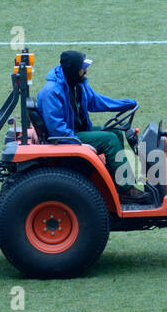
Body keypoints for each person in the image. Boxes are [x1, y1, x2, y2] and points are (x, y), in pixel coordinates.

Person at [36, 50, 148, 202]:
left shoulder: (77, 84)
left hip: (76, 131)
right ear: (73, 69)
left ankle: (116, 184)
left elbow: (97, 102)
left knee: (116, 133)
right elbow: (57, 129)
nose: (86, 70)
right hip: (66, 137)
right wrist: (79, 144)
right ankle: (126, 189)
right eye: (82, 67)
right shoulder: (51, 92)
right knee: (109, 139)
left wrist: (128, 103)